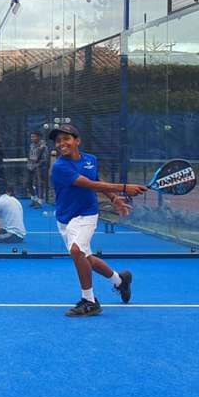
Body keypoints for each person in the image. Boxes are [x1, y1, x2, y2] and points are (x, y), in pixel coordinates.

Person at [49, 123, 146, 317]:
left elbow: (95, 182)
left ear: (77, 141)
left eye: (66, 139)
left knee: (76, 252)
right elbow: (90, 183)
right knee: (86, 258)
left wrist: (114, 198)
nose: (61, 143)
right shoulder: (59, 166)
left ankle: (89, 301)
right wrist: (124, 188)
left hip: (87, 214)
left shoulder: (90, 160)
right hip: (65, 218)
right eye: (58, 141)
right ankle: (120, 281)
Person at [26, 131, 50, 208]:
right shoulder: (31, 145)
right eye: (31, 137)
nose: (32, 138)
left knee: (39, 184)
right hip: (30, 166)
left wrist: (37, 165)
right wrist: (29, 164)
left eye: (34, 137)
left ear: (39, 137)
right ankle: (34, 199)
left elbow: (45, 158)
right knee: (28, 182)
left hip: (39, 167)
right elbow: (30, 155)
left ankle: (40, 201)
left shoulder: (43, 147)